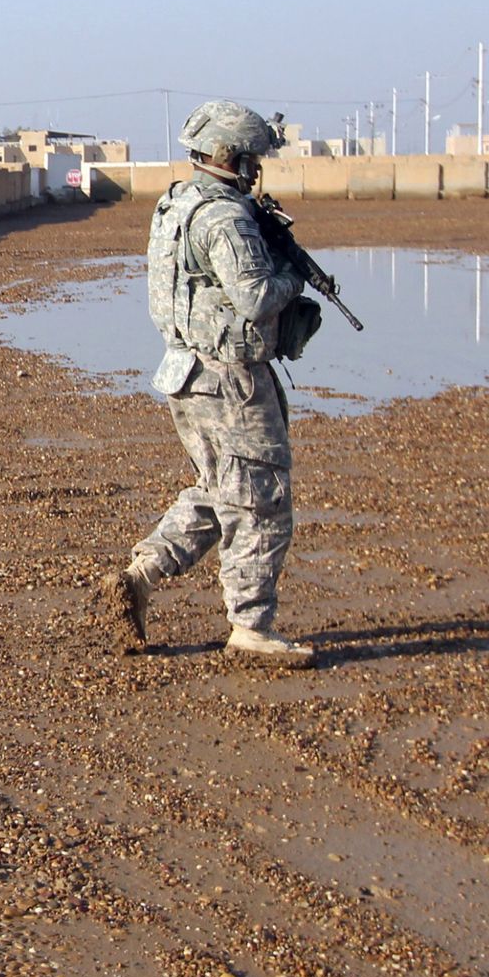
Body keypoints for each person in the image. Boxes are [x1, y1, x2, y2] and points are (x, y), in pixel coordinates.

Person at [93, 99, 314, 668]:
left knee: (222, 488)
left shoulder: (178, 202)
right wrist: (293, 276)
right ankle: (251, 626)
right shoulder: (226, 217)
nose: (255, 169)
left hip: (185, 370)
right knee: (260, 499)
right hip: (229, 379)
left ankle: (141, 576)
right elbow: (257, 296)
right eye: (251, 158)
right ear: (229, 156)